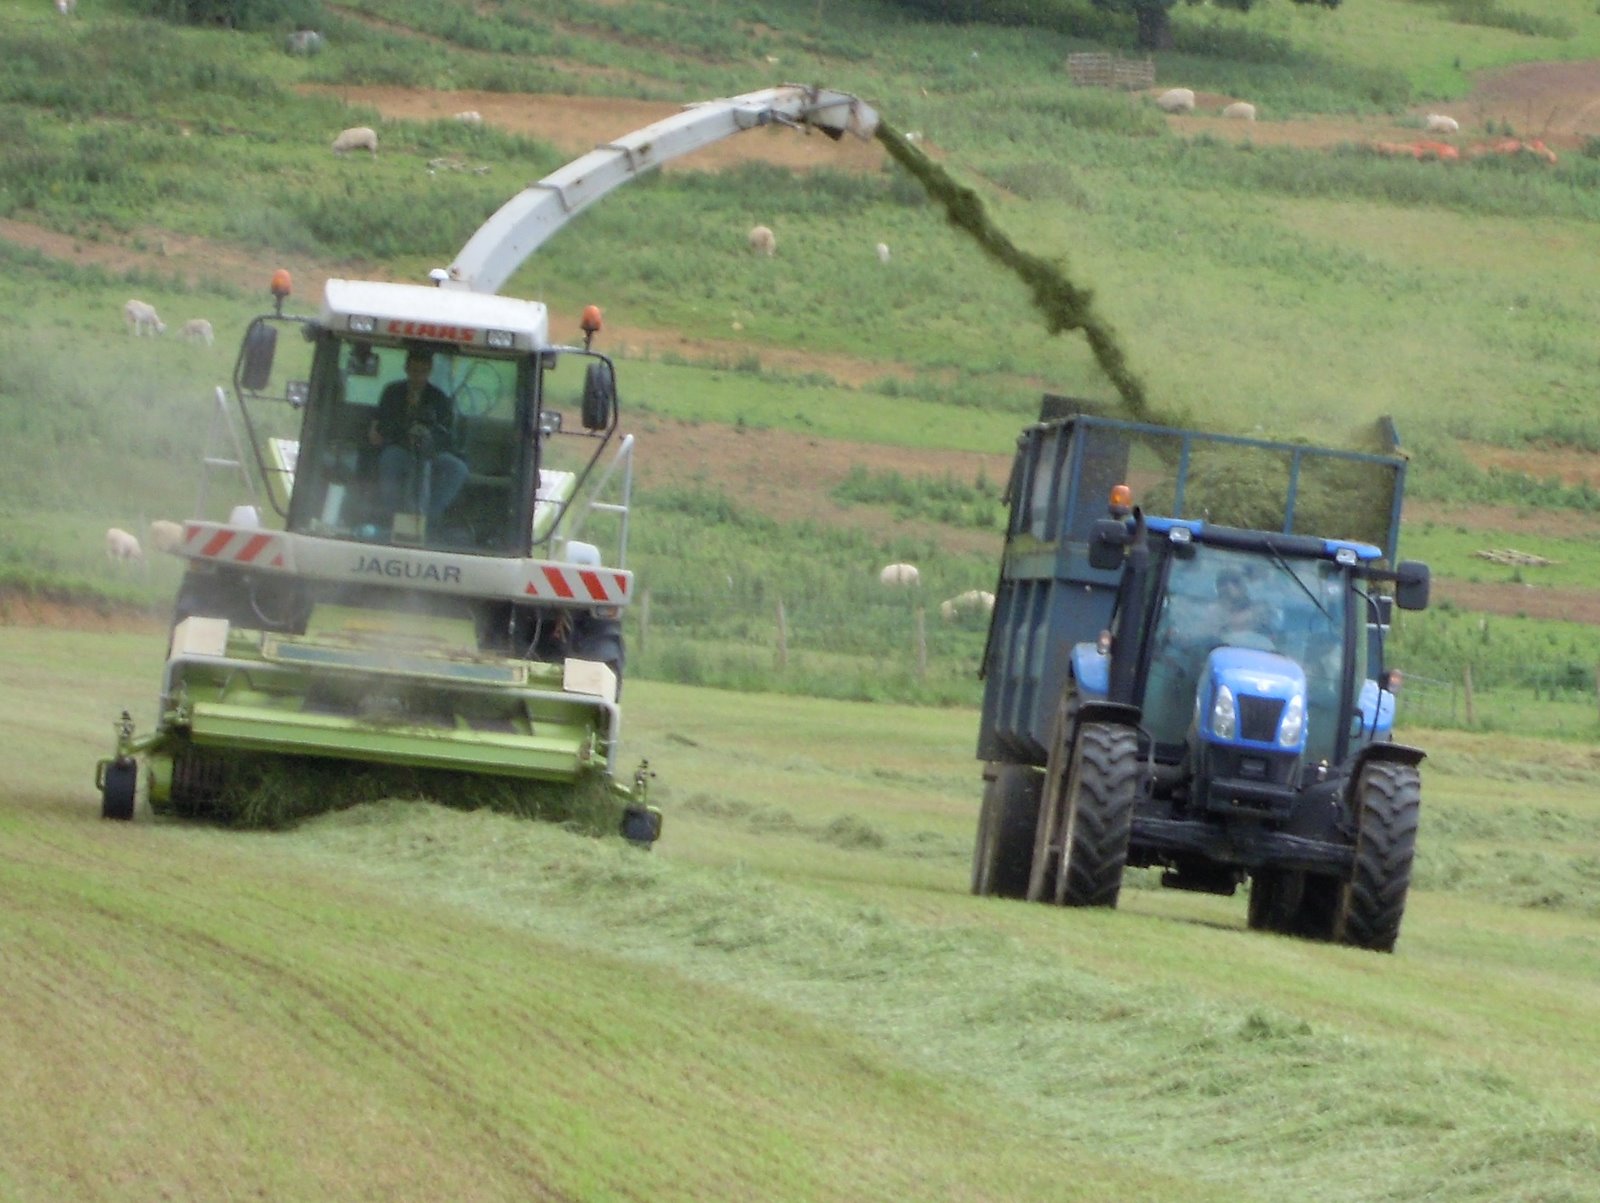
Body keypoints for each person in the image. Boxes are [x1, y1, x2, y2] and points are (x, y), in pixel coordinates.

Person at [369, 347, 468, 529]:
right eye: (414, 371)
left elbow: (446, 435)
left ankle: (428, 517)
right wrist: (406, 427)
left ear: (429, 371)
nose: (418, 377)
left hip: (431, 454)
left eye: (422, 372)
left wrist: (429, 438)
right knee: (388, 460)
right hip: (399, 449)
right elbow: (382, 424)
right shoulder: (392, 392)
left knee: (457, 468)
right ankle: (393, 517)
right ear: (406, 369)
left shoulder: (439, 398)